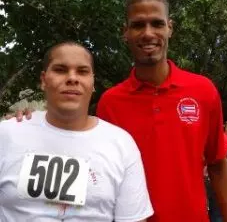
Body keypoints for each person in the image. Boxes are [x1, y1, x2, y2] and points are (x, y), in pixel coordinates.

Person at [8, 0, 227, 222]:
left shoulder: (203, 91)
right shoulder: (110, 102)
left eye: (157, 24)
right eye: (138, 25)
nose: (148, 33)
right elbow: (72, 143)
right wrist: (28, 126)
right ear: (125, 32)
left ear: (170, 27)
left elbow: (218, 165)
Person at [0, 41, 153, 221]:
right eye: (60, 69)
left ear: (92, 82)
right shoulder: (7, 134)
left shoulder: (122, 144)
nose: (72, 78)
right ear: (43, 80)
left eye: (82, 71)